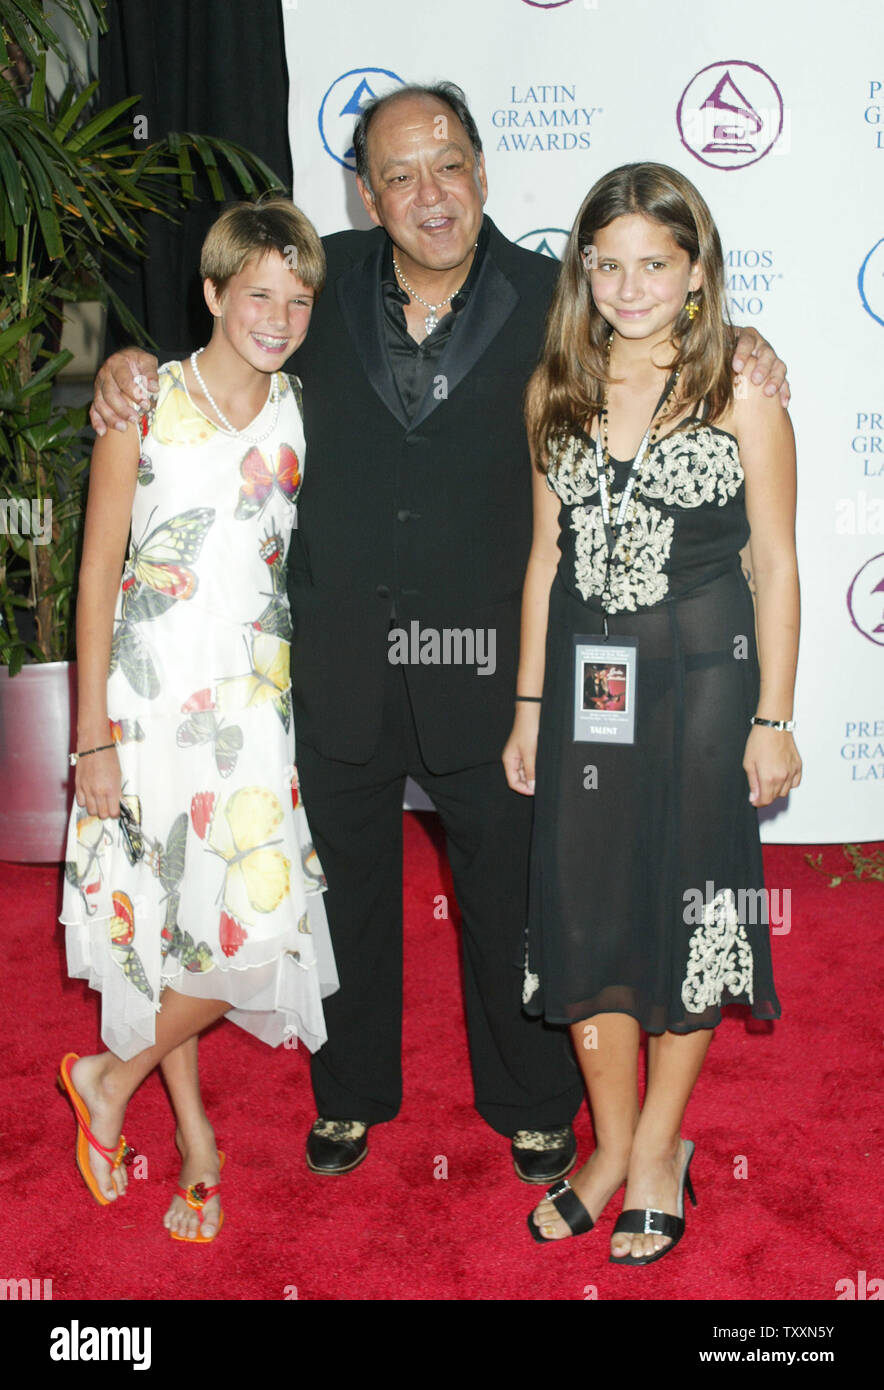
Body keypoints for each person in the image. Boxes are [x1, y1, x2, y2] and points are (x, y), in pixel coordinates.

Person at [89, 84, 789, 1185]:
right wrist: (124, 370)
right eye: (400, 173)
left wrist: (740, 341)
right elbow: (223, 354)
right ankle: (352, 1092)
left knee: (509, 896)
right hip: (337, 659)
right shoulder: (311, 285)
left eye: (449, 163)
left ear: (482, 170)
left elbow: (660, 326)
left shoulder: (554, 295)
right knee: (348, 887)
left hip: (495, 667)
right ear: (363, 188)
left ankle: (531, 1100)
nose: (429, 192)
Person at [503, 162, 801, 1263]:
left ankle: (661, 1145)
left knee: (685, 910)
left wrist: (772, 714)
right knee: (582, 911)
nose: (628, 287)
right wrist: (529, 704)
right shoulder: (555, 389)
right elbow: (542, 560)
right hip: (590, 689)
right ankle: (611, 1144)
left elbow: (773, 559)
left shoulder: (739, 384)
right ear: (583, 269)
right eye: (608, 263)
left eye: (653, 265)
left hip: (705, 686)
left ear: (693, 272)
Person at [59, 198, 338, 1241]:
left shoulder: (305, 413)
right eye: (257, 291)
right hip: (143, 704)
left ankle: (106, 1075)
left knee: (257, 938)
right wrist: (90, 735)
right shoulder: (142, 401)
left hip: (252, 712)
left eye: (297, 297)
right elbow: (95, 575)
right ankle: (200, 1146)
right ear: (213, 293)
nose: (276, 313)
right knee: (165, 930)